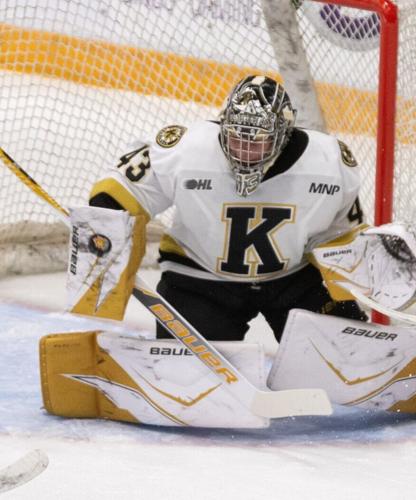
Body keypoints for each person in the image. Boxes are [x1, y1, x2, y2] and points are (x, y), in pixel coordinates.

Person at [69, 75, 381, 340]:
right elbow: (119, 190)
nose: (244, 152)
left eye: (256, 141)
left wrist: (365, 276)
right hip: (201, 279)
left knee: (344, 355)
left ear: (283, 136)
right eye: (235, 138)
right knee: (185, 374)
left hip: (294, 280)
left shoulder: (329, 164)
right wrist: (104, 233)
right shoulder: (187, 150)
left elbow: (341, 237)